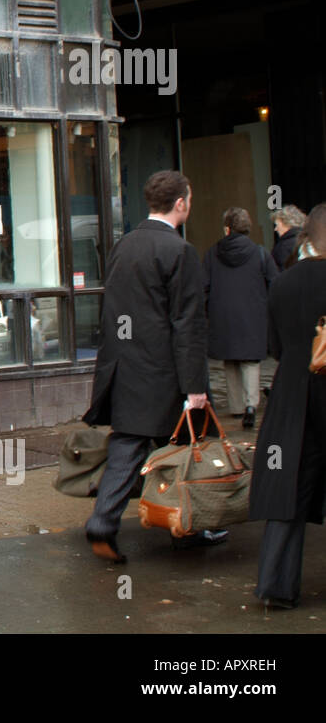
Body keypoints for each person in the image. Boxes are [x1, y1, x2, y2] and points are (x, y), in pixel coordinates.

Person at [83, 170, 223, 563]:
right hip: (166, 374)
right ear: (181, 203)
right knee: (182, 450)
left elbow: (112, 311)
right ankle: (185, 526)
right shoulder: (179, 251)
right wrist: (194, 387)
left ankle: (102, 523)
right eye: (189, 198)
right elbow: (188, 323)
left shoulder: (124, 245)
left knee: (127, 449)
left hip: (125, 369)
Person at [250, 203, 326, 609]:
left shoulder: (282, 283)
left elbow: (274, 348)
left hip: (293, 394)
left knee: (289, 490)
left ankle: (275, 585)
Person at [203, 206, 278, 429]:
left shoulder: (212, 254)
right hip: (253, 317)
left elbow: (203, 286)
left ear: (227, 229)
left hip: (223, 317)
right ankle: (251, 406)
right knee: (250, 362)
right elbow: (274, 283)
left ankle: (235, 408)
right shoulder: (261, 253)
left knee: (230, 361)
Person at [271, 205, 307, 271]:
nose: (275, 229)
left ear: (286, 223)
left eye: (277, 225)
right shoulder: (308, 240)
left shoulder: (283, 246)